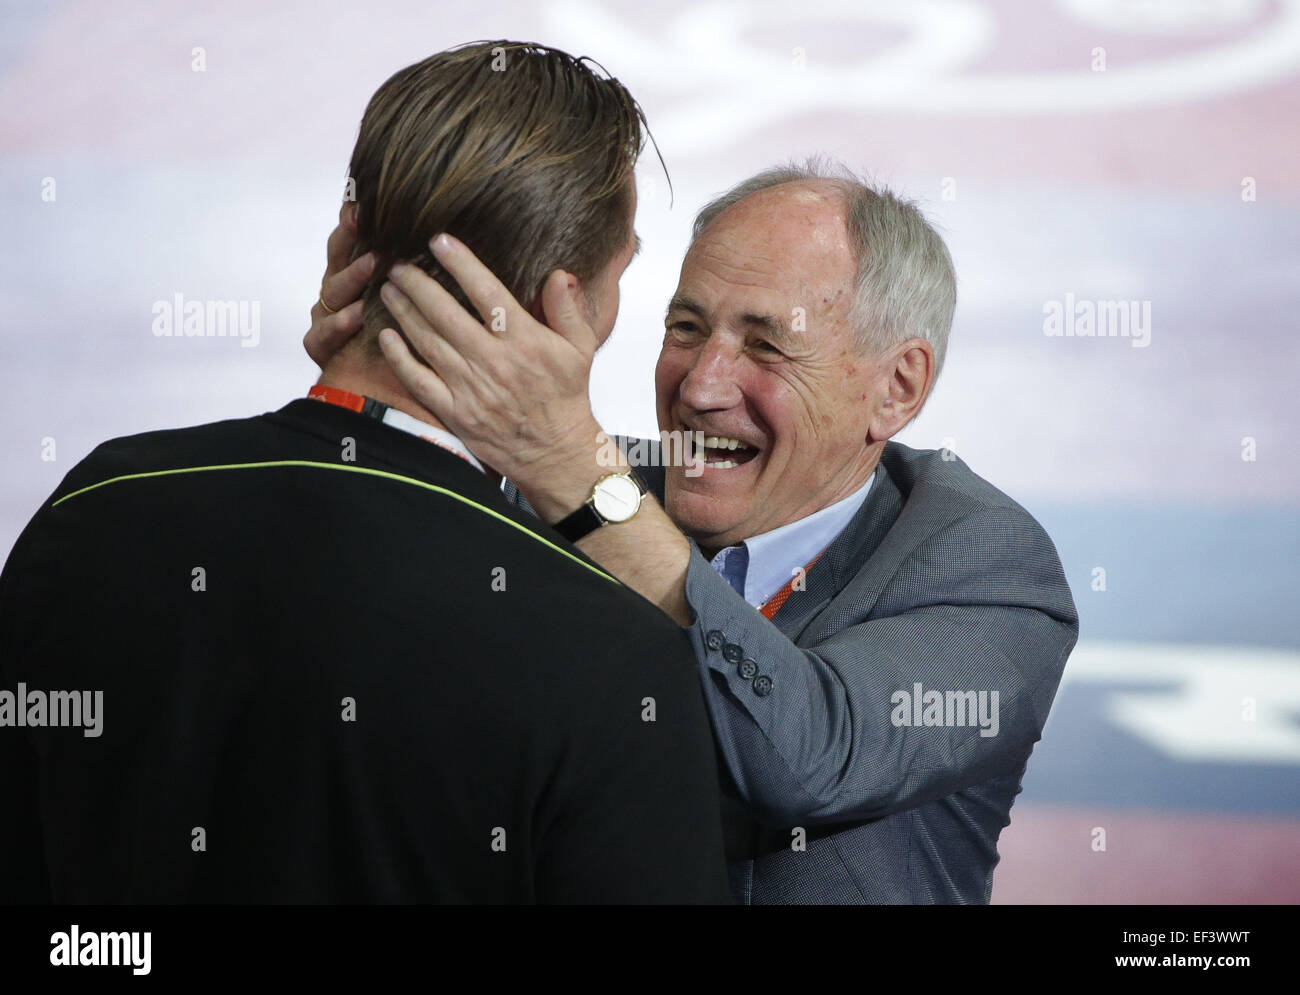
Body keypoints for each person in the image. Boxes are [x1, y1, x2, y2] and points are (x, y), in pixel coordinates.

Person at [0, 41, 731, 905]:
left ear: (348, 237)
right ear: (559, 307)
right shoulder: (621, 660)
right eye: (621, 275)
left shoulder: (96, 502)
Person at [306, 159, 1081, 904]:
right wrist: (378, 371)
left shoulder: (986, 565)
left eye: (767, 344)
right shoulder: (579, 495)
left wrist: (579, 477)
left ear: (896, 387)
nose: (702, 386)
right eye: (686, 327)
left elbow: (814, 759)